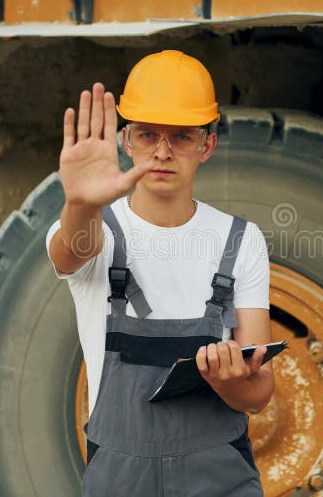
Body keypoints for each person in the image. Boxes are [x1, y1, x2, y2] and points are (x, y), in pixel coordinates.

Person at [45, 50, 274, 496]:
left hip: (220, 476)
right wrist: (80, 202)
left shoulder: (241, 241)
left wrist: (231, 385)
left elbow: (260, 391)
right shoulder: (98, 232)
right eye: (148, 134)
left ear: (207, 145)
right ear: (126, 140)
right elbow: (69, 254)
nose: (162, 153)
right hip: (121, 480)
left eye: (182, 136)